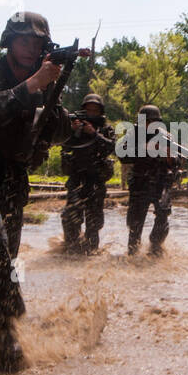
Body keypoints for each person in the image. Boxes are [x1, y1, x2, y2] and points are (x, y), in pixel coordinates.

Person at [0, 11, 79, 371]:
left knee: (4, 257)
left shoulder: (47, 82)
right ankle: (7, 333)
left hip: (12, 177)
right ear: (9, 41)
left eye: (37, 42)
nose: (30, 47)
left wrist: (69, 121)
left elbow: (53, 132)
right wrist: (36, 83)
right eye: (23, 40)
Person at [60, 93, 117, 254]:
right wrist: (71, 131)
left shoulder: (106, 129)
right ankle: (70, 250)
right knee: (70, 217)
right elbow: (63, 145)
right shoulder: (74, 127)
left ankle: (91, 253)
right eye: (88, 109)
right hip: (77, 179)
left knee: (94, 222)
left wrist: (94, 133)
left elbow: (111, 148)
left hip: (96, 180)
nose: (91, 113)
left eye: (95, 110)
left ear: (100, 112)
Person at [125, 104, 180, 256]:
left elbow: (176, 162)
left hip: (161, 182)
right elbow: (123, 156)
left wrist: (168, 156)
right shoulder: (132, 135)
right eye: (146, 121)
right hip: (140, 182)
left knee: (163, 213)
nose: (149, 124)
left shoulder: (167, 137)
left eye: (153, 121)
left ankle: (155, 247)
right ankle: (133, 250)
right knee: (135, 221)